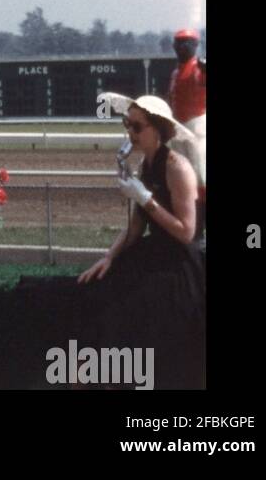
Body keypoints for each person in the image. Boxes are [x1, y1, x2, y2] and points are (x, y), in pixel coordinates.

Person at [77, 94, 205, 388]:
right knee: (102, 292)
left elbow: (187, 231)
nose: (130, 133)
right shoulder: (145, 167)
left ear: (157, 130)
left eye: (137, 127)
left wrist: (146, 199)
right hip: (154, 252)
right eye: (127, 125)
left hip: (179, 262)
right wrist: (109, 257)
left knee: (134, 308)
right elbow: (134, 230)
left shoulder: (177, 167)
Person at [168, 28, 206, 213]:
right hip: (177, 127)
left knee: (200, 172)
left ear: (196, 45)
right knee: (180, 173)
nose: (182, 46)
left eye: (187, 42)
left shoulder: (200, 69)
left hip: (197, 126)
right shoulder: (175, 73)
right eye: (179, 42)